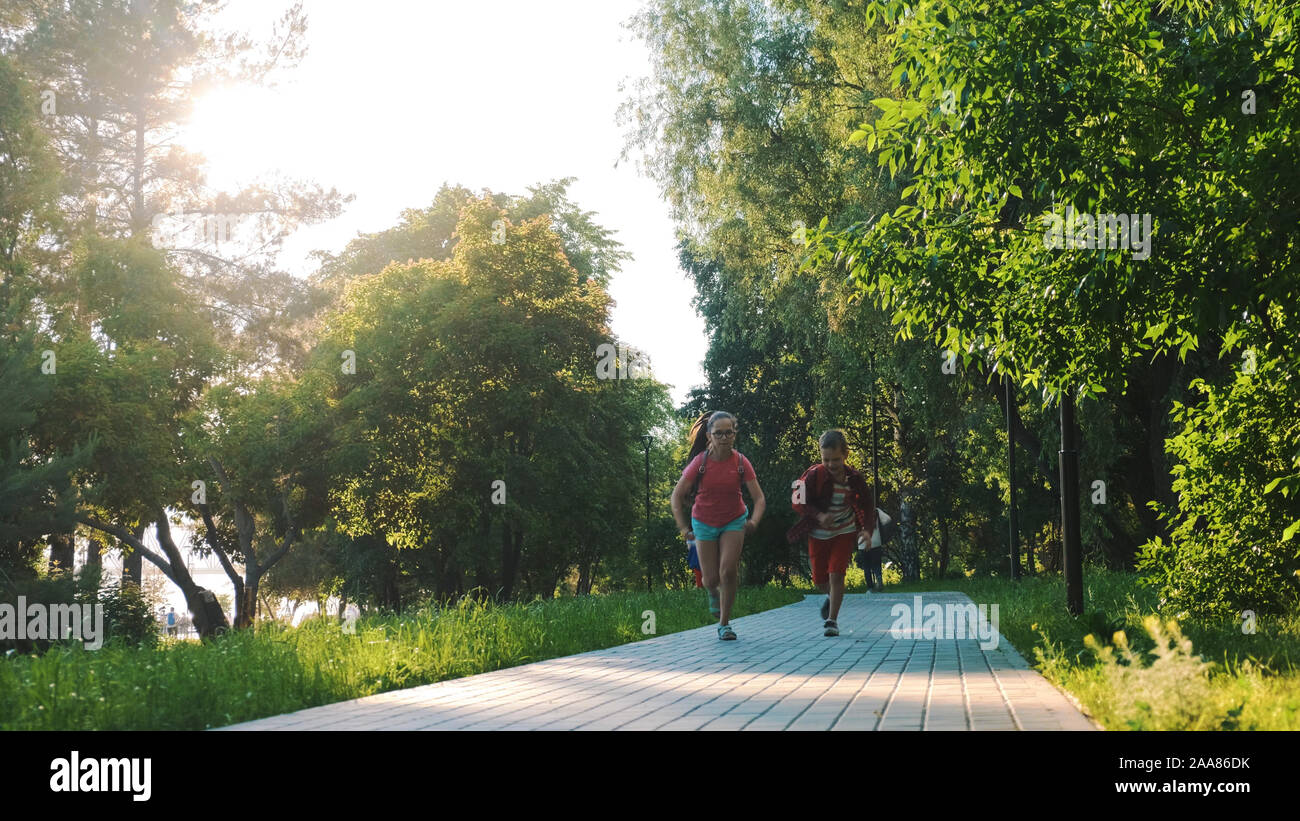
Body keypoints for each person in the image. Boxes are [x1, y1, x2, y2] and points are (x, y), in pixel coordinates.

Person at [671, 411, 765, 641]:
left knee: (728, 570)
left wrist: (753, 521)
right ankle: (712, 592)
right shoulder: (700, 463)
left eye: (728, 433)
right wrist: (684, 529)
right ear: (709, 436)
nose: (724, 437)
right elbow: (676, 496)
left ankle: (725, 624)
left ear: (734, 434)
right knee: (710, 579)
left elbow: (759, 499)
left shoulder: (741, 462)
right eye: (718, 433)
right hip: (703, 522)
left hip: (734, 520)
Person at [788, 430, 876, 637]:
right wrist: (818, 515)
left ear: (845, 454)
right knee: (819, 580)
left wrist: (867, 531)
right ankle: (833, 596)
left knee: (837, 574)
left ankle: (832, 621)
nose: (830, 464)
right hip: (818, 534)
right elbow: (797, 501)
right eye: (825, 459)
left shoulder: (855, 478)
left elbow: (868, 506)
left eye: (835, 459)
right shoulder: (812, 475)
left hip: (844, 531)